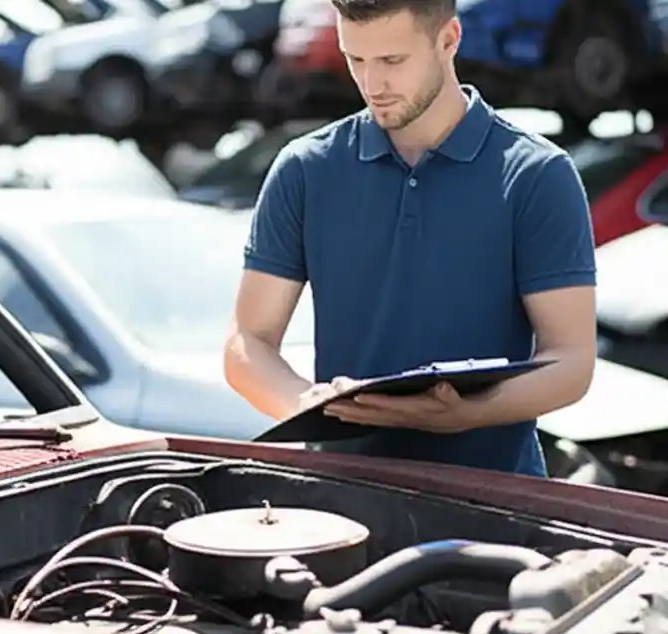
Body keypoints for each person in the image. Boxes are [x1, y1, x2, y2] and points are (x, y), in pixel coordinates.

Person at [222, 0, 597, 477]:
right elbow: (247, 341)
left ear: (449, 40)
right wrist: (304, 402)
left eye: (392, 61)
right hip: (343, 504)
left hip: (496, 508)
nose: (372, 85)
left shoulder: (536, 175)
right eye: (355, 59)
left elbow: (570, 361)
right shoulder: (304, 170)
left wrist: (467, 415)